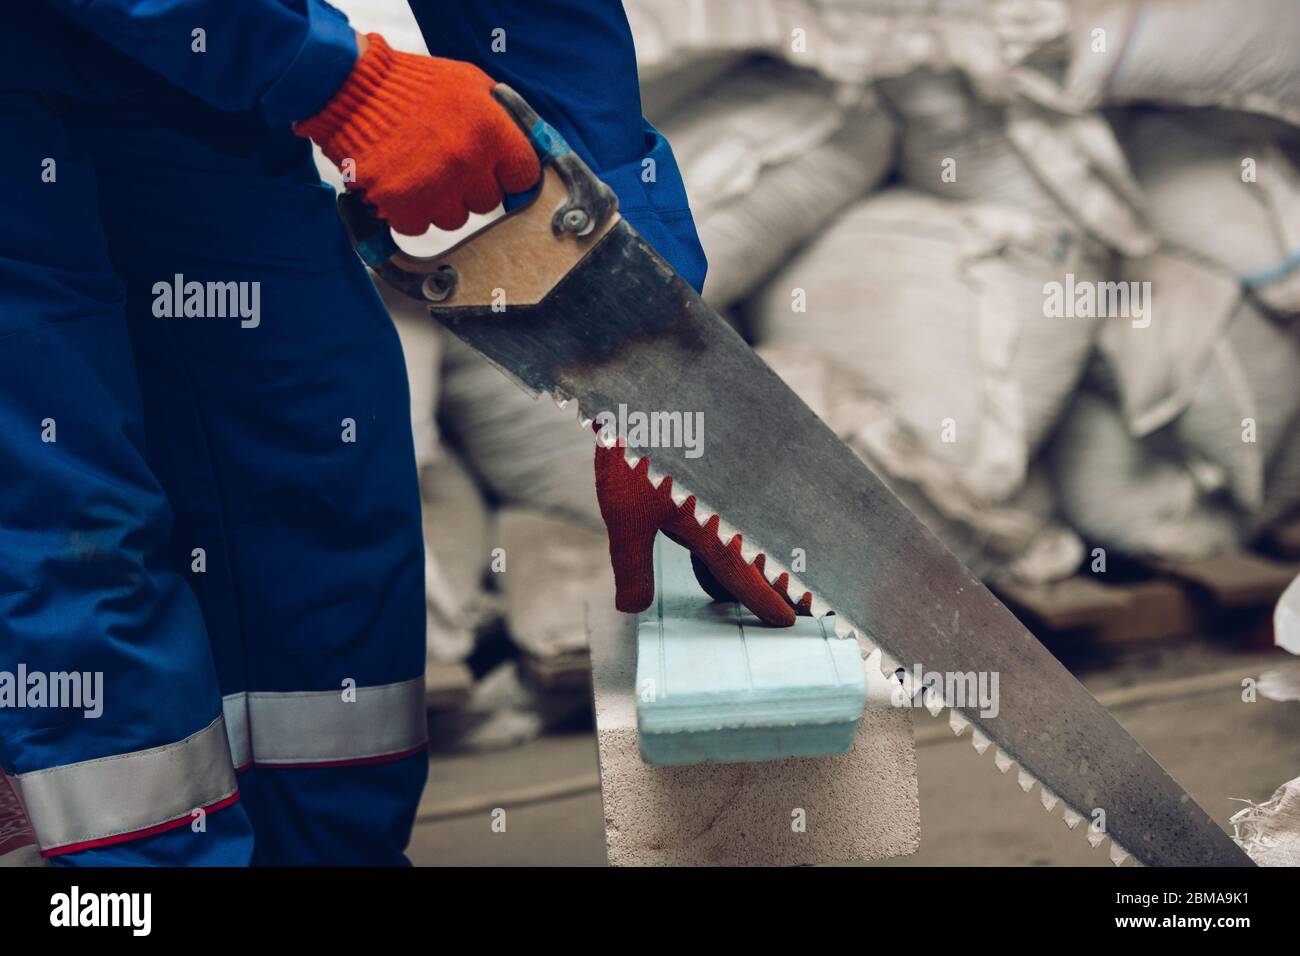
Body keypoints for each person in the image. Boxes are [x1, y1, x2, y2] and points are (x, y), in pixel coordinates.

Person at [0, 0, 790, 866]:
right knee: (70, 526)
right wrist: (342, 81)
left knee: (313, 472)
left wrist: (644, 367)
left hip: (193, 78)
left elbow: (537, 20)